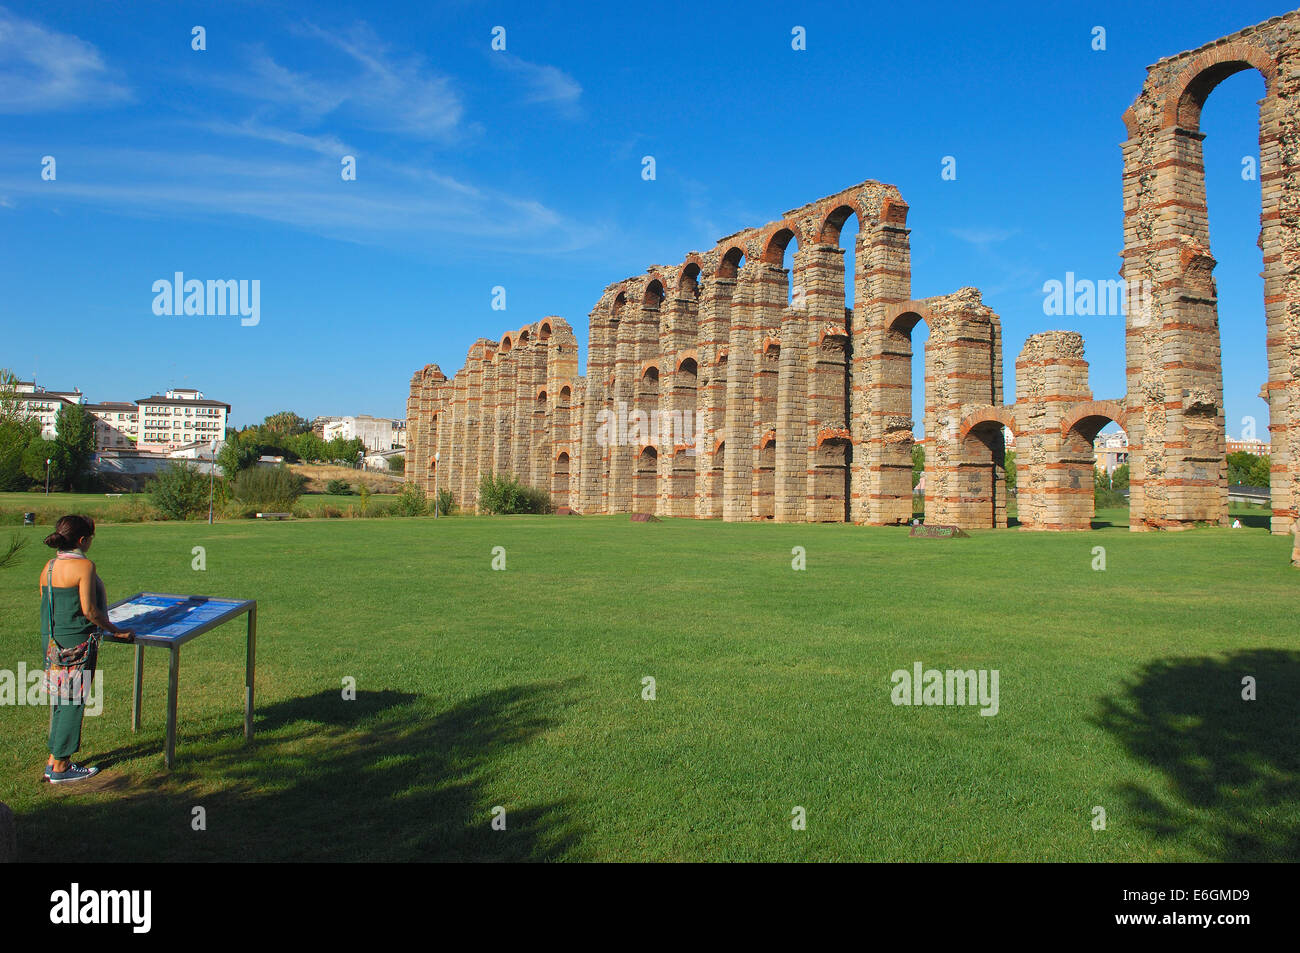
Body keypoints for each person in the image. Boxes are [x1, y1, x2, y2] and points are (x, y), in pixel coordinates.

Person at [38, 515, 133, 783]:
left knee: (59, 700)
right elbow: (90, 610)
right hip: (76, 643)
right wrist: (116, 630)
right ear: (83, 540)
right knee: (72, 702)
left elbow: (45, 600)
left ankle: (53, 759)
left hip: (52, 641)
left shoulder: (48, 566)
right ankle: (61, 767)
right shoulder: (84, 566)